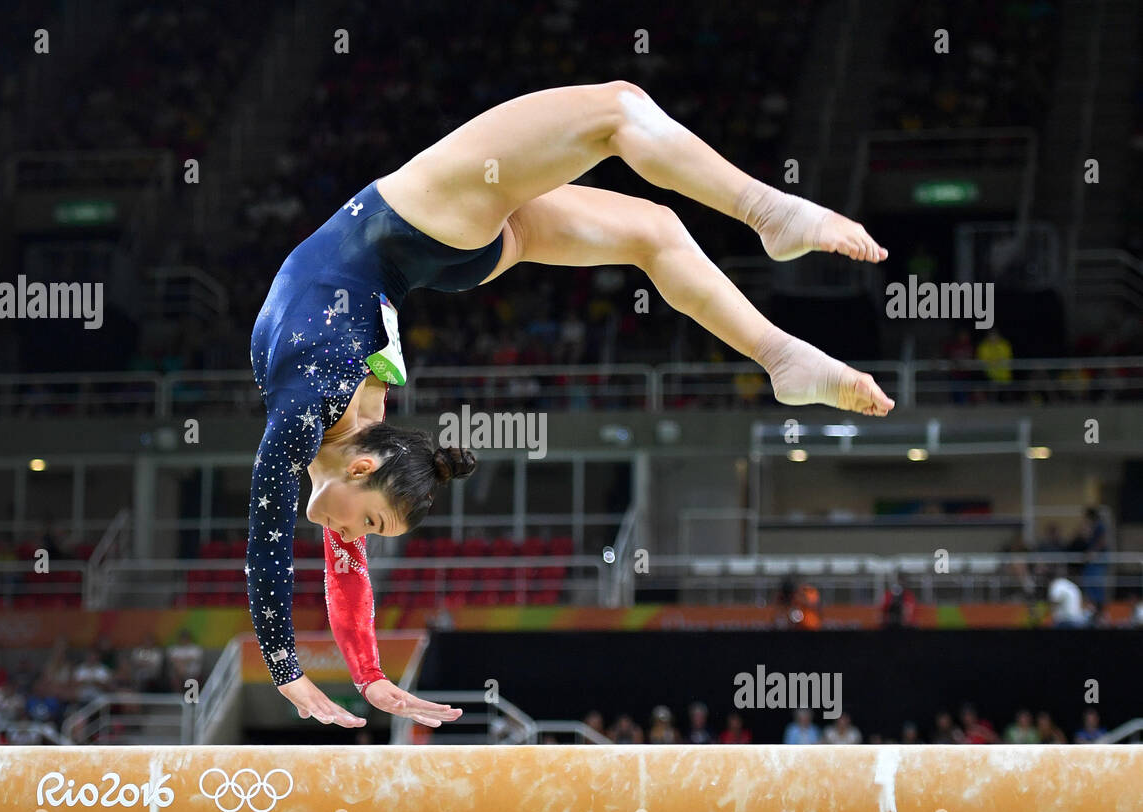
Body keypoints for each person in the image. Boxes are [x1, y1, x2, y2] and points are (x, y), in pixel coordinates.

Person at [251, 81, 895, 727]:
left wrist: (288, 672)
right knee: (643, 200)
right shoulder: (343, 444)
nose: (352, 540)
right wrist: (369, 675)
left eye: (367, 527)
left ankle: (768, 233)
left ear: (362, 470)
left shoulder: (310, 401)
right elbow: (345, 577)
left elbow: (268, 533)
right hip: (430, 247)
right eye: (371, 529)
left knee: (627, 136)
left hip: (417, 217)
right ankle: (780, 349)